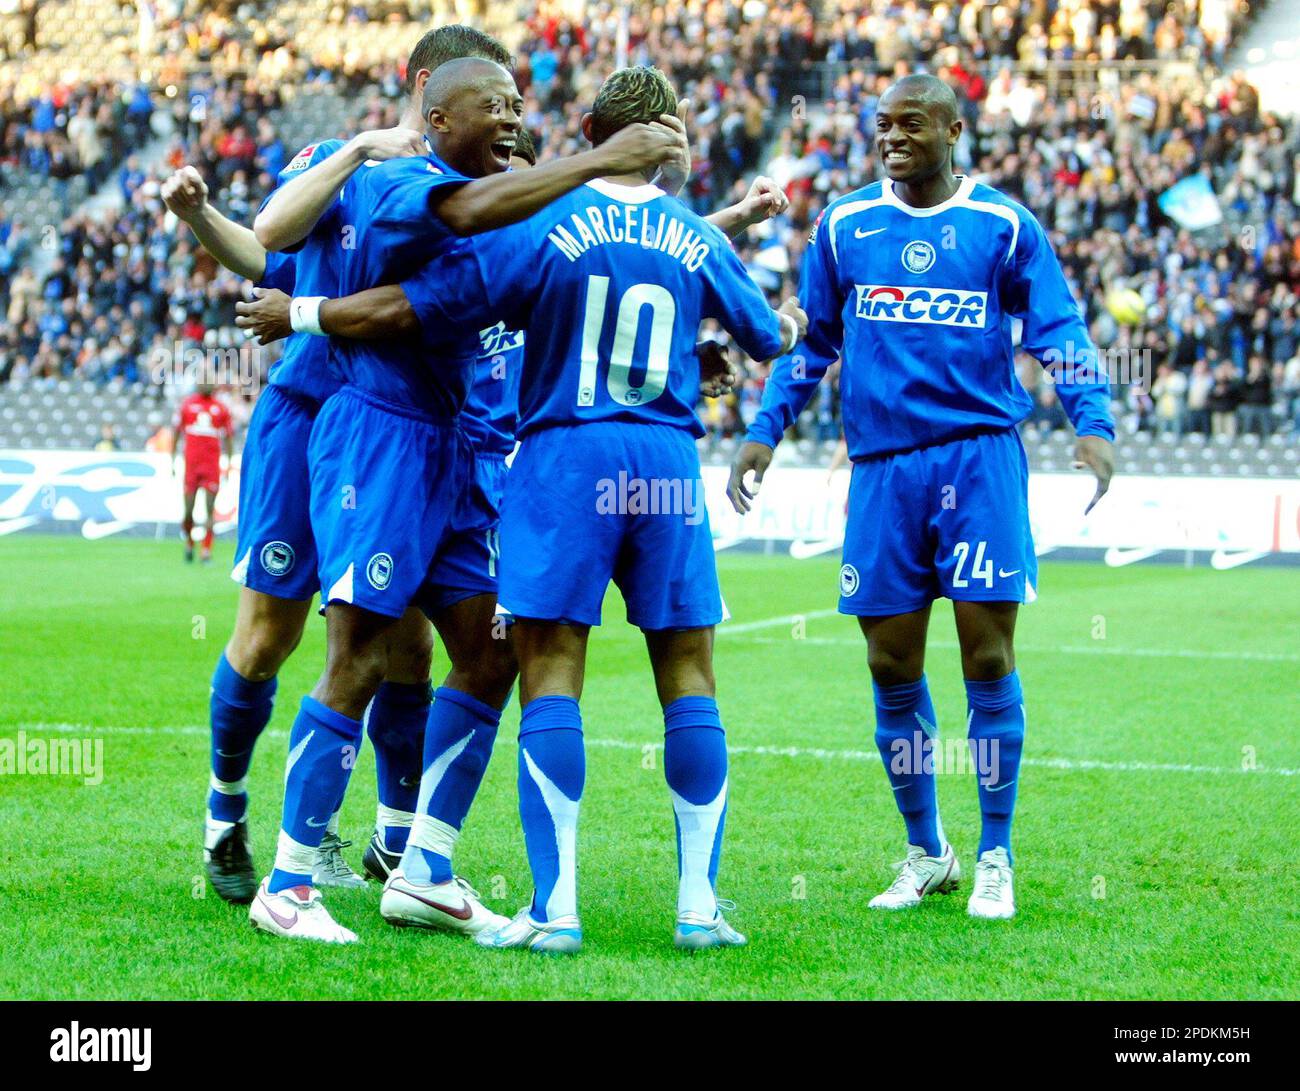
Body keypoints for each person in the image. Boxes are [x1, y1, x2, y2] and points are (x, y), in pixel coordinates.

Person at [275, 64, 806, 953]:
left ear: (592, 126)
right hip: (667, 463)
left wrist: (304, 310)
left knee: (549, 666)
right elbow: (761, 337)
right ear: (668, 141)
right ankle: (697, 907)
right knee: (688, 674)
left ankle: (555, 910)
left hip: (563, 458)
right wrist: (784, 325)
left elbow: (428, 303)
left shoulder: (543, 220)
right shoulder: (688, 233)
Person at [728, 75, 1115, 921]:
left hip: (979, 461)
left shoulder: (1003, 224)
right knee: (890, 662)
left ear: (954, 130)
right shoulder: (843, 226)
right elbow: (811, 341)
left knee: (985, 656)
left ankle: (995, 854)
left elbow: (1060, 327)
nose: (892, 137)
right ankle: (927, 849)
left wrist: (1093, 419)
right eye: (882, 126)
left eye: (911, 125)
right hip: (882, 469)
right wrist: (765, 427)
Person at [164, 26, 528, 908]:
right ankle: (226, 815)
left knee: (404, 642)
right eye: (488, 95)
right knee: (270, 636)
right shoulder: (347, 162)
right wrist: (201, 217)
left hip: (406, 424)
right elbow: (267, 251)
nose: (509, 111)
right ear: (424, 90)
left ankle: (398, 845)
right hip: (311, 412)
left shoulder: (465, 180)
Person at [173, 380, 233, 564]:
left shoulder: (220, 408)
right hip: (191, 466)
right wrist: (172, 460)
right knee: (188, 510)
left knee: (209, 509)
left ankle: (206, 551)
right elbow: (176, 432)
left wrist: (228, 463)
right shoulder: (188, 405)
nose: (206, 384)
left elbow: (228, 437)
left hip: (211, 467)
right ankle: (190, 544)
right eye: (203, 380)